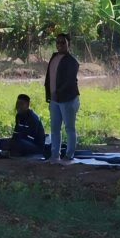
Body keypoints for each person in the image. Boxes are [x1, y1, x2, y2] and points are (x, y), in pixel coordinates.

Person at [44, 32, 80, 162]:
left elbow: (70, 82)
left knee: (69, 128)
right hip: (54, 100)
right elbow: (49, 78)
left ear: (68, 44)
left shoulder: (72, 61)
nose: (60, 44)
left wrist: (57, 92)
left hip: (67, 99)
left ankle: (69, 155)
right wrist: (50, 94)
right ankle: (55, 155)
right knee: (55, 128)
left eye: (63, 42)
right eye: (58, 42)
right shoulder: (54, 57)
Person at [6, 93, 47, 157]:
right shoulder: (18, 116)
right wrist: (11, 140)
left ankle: (18, 153)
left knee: (18, 143)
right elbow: (16, 132)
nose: (18, 106)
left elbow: (32, 138)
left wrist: (17, 139)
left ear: (27, 105)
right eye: (17, 103)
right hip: (23, 141)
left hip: (36, 146)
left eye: (21, 104)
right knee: (4, 142)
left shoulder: (33, 118)